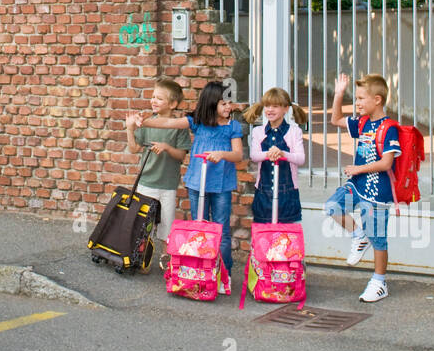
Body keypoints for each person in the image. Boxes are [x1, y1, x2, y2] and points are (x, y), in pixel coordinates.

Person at [137, 80, 246, 278]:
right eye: (224, 103)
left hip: (221, 185)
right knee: (199, 227)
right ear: (212, 103)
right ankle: (200, 270)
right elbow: (168, 122)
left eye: (230, 103)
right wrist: (142, 121)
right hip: (198, 184)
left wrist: (222, 154)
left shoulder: (233, 126)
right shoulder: (197, 122)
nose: (229, 107)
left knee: (222, 230)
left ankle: (223, 275)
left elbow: (238, 155)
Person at [325, 73, 397, 303]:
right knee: (333, 206)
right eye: (355, 98)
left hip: (378, 192)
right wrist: (338, 94)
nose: (356, 103)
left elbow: (387, 163)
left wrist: (358, 169)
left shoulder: (389, 128)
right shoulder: (363, 122)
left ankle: (379, 282)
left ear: (377, 99)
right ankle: (359, 234)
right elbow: (336, 120)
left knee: (379, 239)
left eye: (360, 98)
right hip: (357, 186)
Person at [123, 77, 190, 249]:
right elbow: (133, 148)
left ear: (173, 104)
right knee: (142, 225)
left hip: (168, 185)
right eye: (153, 97)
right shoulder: (147, 123)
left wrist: (167, 147)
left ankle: (166, 257)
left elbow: (181, 156)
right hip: (146, 183)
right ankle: (139, 256)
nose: (153, 101)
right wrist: (130, 129)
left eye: (159, 98)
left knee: (167, 228)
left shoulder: (179, 126)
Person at [241, 87, 307, 225]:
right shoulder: (259, 131)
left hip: (288, 194)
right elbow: (254, 155)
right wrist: (269, 153)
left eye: (275, 106)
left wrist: (283, 154)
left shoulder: (294, 132)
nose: (270, 110)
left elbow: (300, 158)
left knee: (286, 236)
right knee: (263, 234)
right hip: (264, 192)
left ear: (286, 109)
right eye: (267, 106)